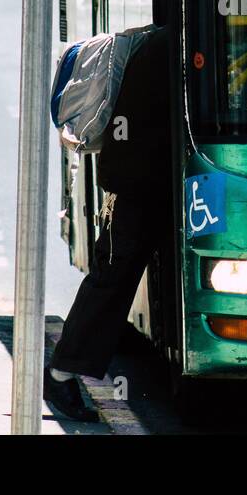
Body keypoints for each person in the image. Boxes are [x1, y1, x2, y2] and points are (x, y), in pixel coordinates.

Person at [45, 25, 173, 423]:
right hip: (137, 191)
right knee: (112, 280)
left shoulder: (163, 43)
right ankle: (61, 372)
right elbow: (136, 132)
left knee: (113, 279)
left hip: (141, 187)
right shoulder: (165, 49)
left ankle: (65, 369)